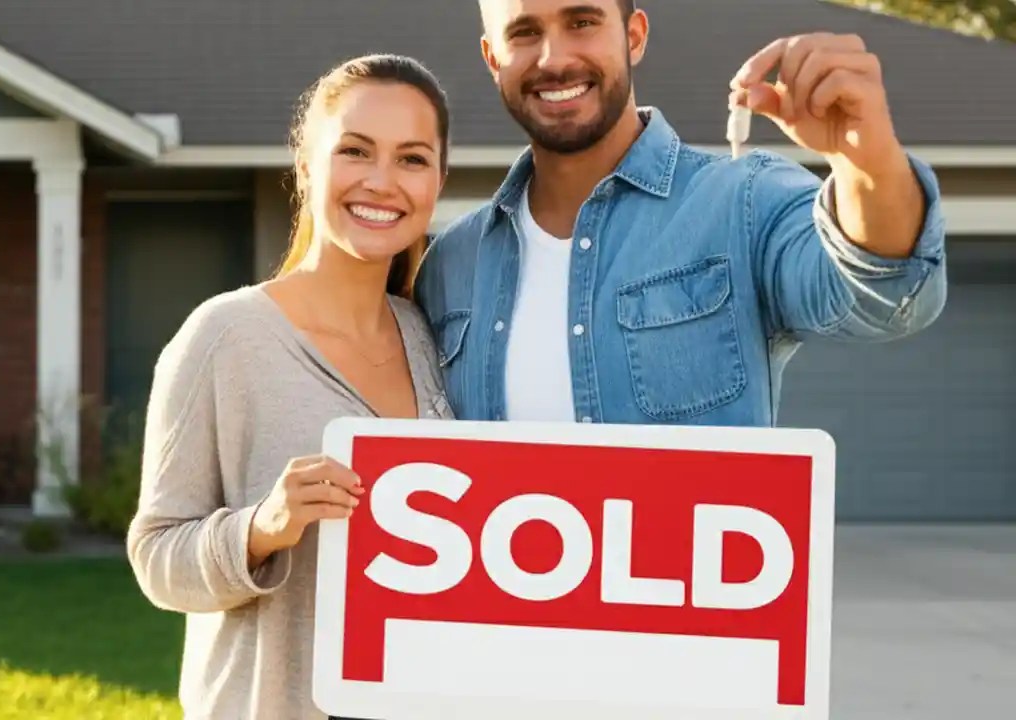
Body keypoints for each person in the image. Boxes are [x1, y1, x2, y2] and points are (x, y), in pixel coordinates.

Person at [414, 0, 948, 426]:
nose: (554, 57)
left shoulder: (741, 203)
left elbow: (887, 296)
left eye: (582, 21)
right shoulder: (450, 264)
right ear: (492, 59)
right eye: (524, 32)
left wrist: (865, 159)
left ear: (634, 36)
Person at [125, 54, 453, 720]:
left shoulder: (432, 337)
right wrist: (260, 529)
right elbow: (156, 556)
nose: (383, 182)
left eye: (412, 159)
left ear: (439, 180)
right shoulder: (226, 336)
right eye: (356, 152)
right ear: (307, 166)